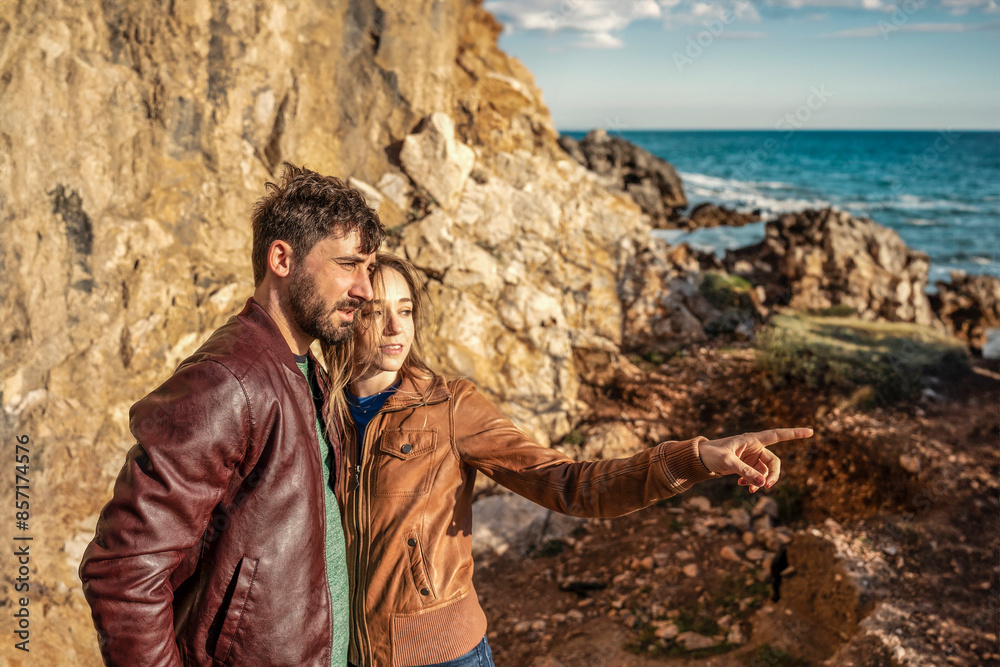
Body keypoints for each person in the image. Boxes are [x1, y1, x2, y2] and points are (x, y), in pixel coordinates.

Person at [324, 253, 813, 667]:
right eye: (374, 312)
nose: (394, 328)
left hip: (442, 655)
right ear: (348, 317)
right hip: (340, 653)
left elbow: (569, 483)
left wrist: (696, 457)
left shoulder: (451, 407)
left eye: (406, 311)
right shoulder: (315, 408)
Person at [79, 163, 385, 666]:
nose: (365, 289)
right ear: (282, 258)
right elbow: (124, 571)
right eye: (348, 265)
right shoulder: (228, 381)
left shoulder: (306, 371)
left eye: (368, 269)